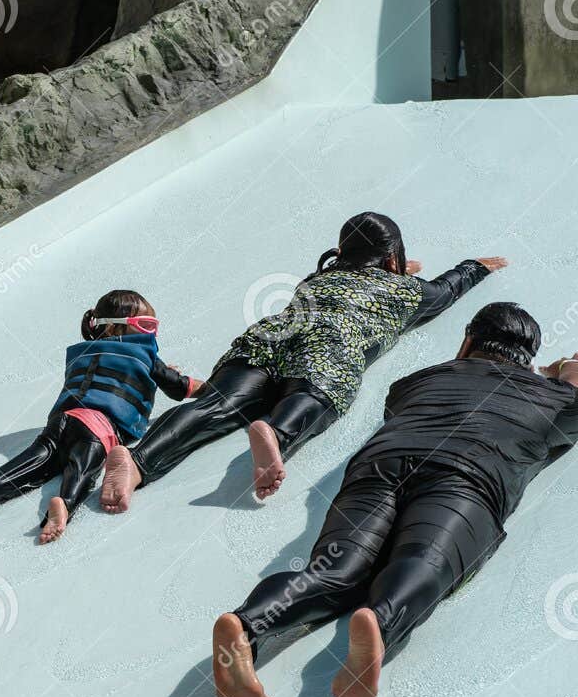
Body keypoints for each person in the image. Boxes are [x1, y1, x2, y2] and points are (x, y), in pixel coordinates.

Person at [210, 302, 578, 697]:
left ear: (468, 342)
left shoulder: (416, 381)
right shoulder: (554, 397)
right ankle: (378, 625)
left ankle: (247, 624)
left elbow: (396, 410)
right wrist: (571, 369)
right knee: (425, 560)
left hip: (379, 467)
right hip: (466, 479)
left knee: (333, 572)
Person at [100, 211, 506, 510]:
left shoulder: (318, 278)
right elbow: (445, 290)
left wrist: (391, 269)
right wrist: (475, 267)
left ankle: (136, 462)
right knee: (314, 393)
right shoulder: (405, 291)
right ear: (391, 259)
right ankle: (275, 434)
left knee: (212, 406)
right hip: (330, 344)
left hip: (270, 336)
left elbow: (360, 270)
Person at [0, 291, 201, 546]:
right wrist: (211, 386)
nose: (151, 333)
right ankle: (64, 504)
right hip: (97, 429)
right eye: (145, 325)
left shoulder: (82, 353)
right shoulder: (146, 355)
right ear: (112, 328)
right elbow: (182, 387)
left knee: (16, 471)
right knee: (82, 470)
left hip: (60, 422)